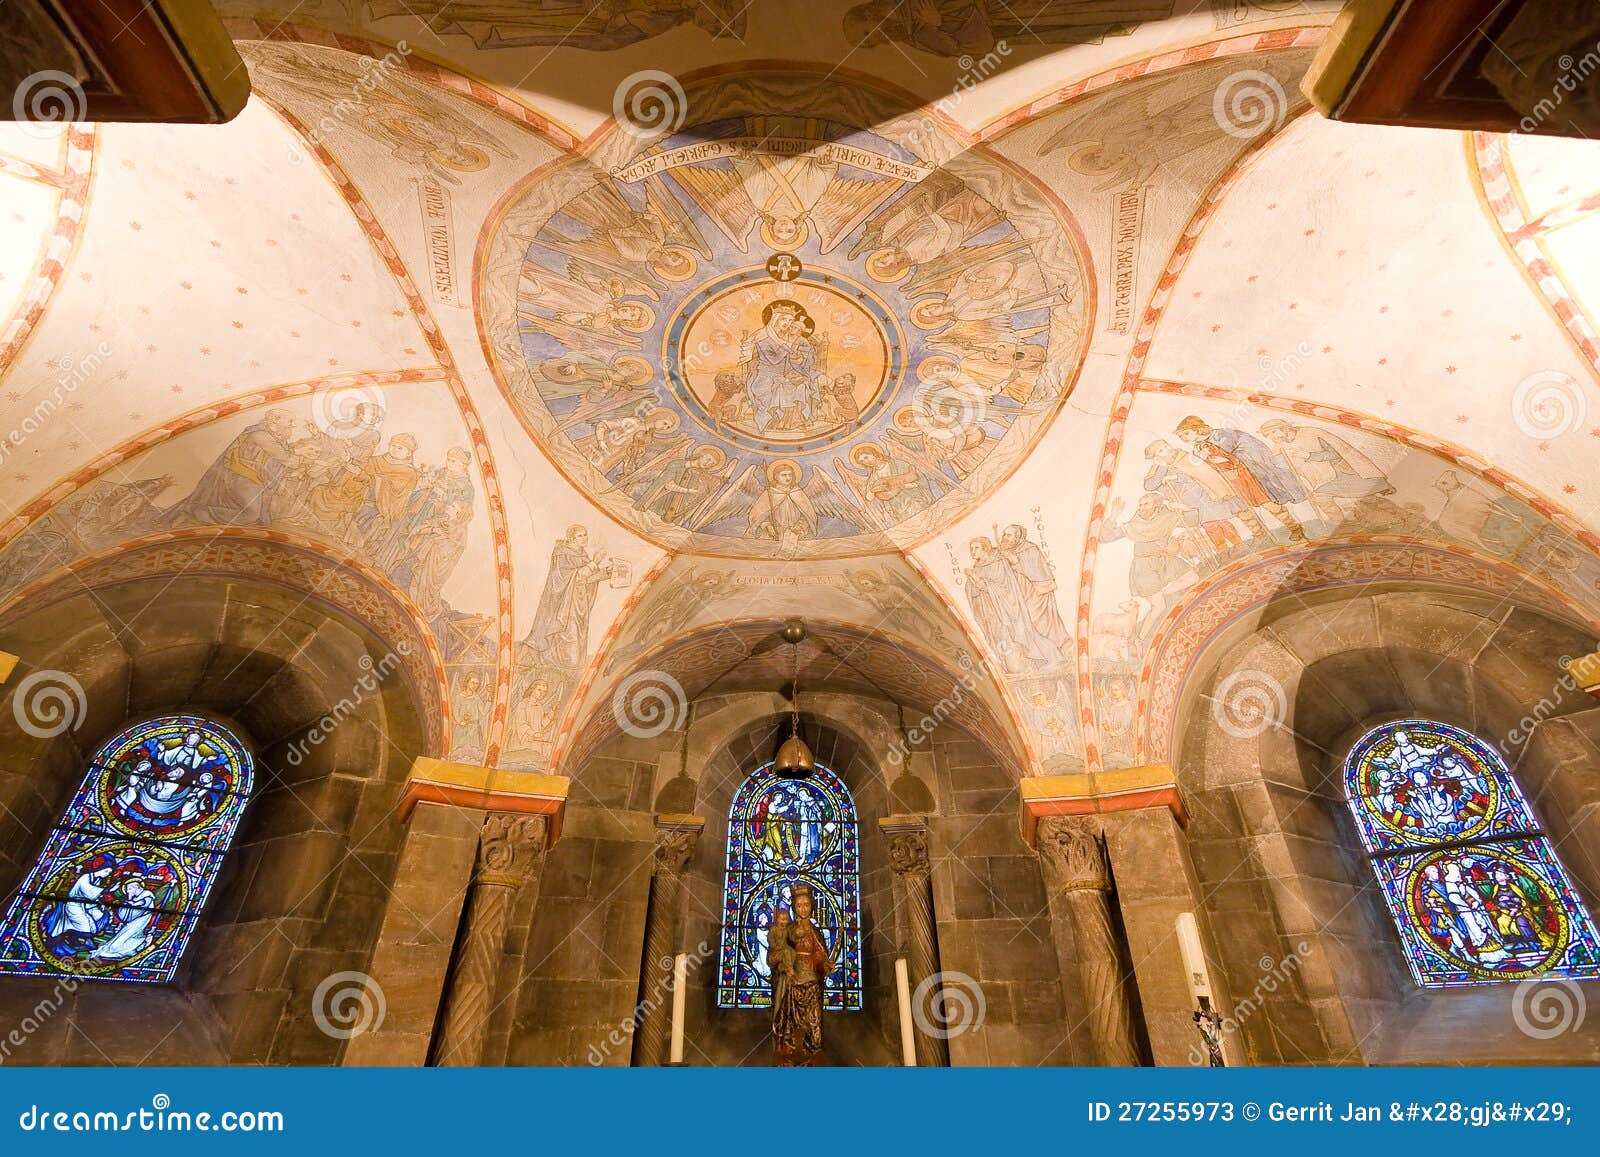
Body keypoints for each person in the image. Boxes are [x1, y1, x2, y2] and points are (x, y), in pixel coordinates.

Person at [769, 883, 834, 1065]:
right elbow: (774, 955)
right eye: (799, 905)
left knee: (812, 1027)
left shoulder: (816, 933)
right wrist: (783, 961)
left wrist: (825, 965)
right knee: (788, 1028)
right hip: (791, 984)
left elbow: (820, 958)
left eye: (806, 905)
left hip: (812, 986)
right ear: (794, 907)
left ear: (811, 906)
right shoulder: (787, 930)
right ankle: (787, 1057)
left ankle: (811, 1056)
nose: (803, 908)